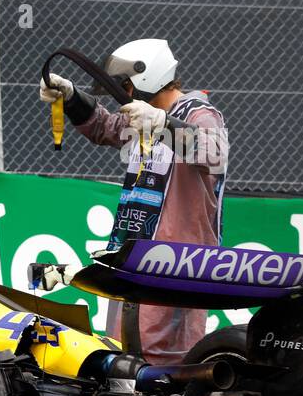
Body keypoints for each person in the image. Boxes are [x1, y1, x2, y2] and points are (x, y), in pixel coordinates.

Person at [40, 38, 229, 365]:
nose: (124, 96)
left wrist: (164, 125)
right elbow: (104, 126)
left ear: (147, 80)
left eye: (126, 87)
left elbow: (214, 153)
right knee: (124, 354)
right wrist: (71, 99)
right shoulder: (144, 115)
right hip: (134, 256)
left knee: (169, 364)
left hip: (179, 263)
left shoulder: (199, 113)